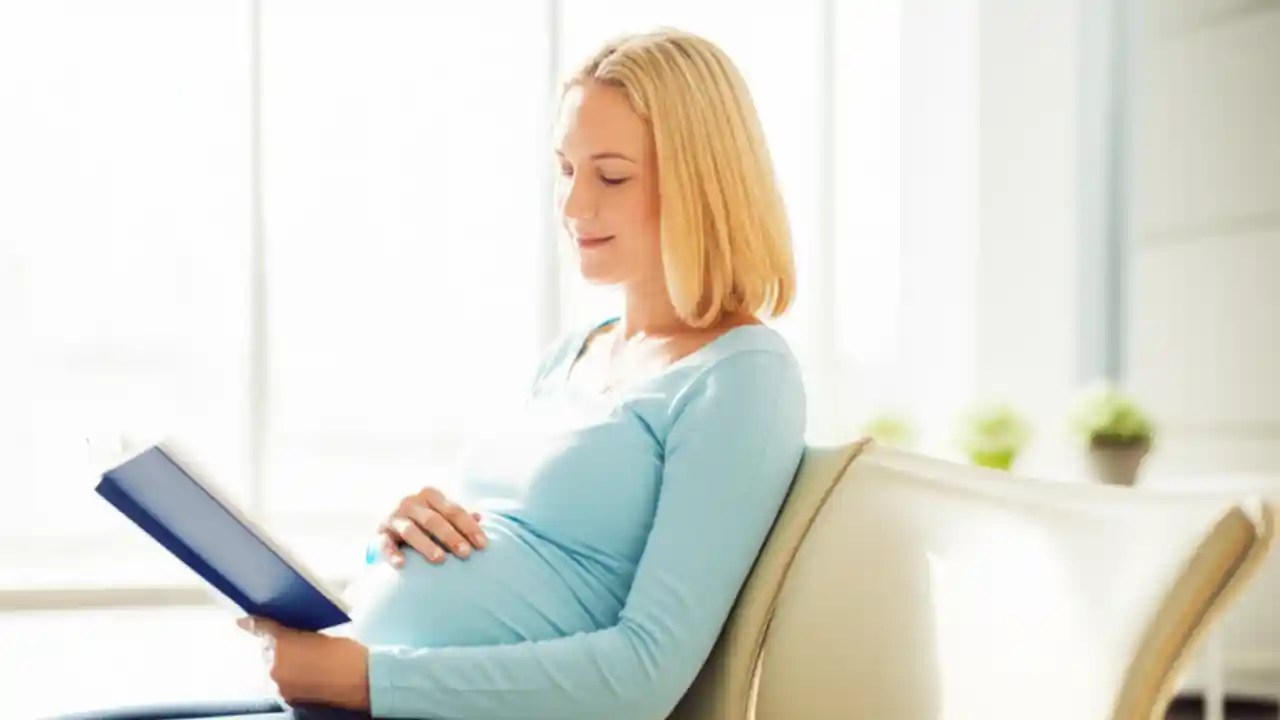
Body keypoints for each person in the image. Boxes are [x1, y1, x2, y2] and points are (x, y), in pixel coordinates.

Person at [64, 26, 806, 720]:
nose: (575, 204)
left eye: (611, 176)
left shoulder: (740, 379)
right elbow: (503, 560)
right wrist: (398, 540)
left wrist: (360, 677)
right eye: (566, 169)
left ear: (704, 184)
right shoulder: (577, 351)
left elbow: (644, 674)